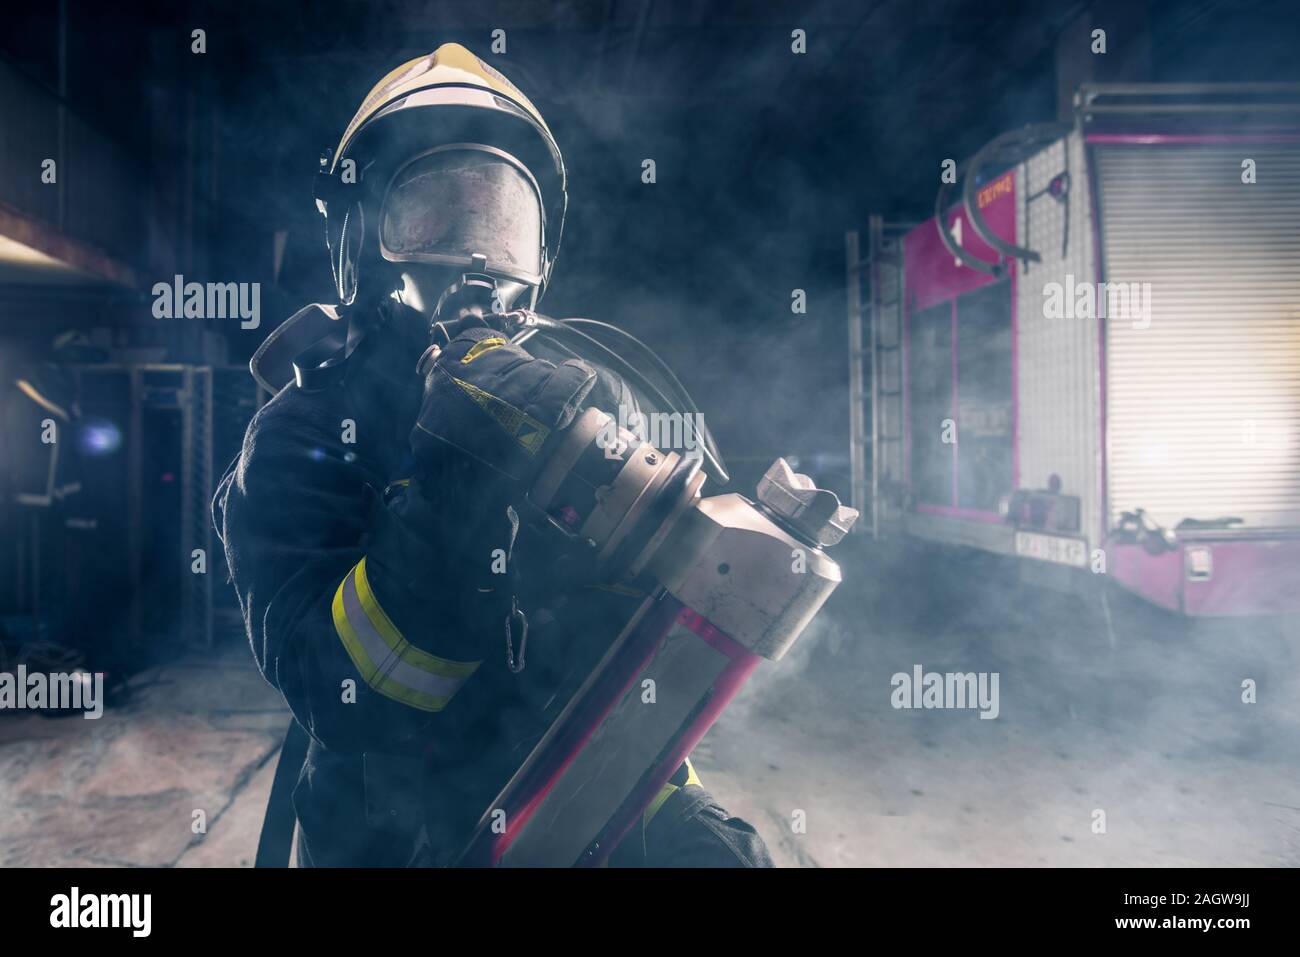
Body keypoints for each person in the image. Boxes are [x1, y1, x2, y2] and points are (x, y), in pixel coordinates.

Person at [213, 43, 771, 867]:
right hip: (392, 836)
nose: (474, 261)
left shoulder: (586, 390)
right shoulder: (303, 432)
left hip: (580, 795)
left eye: (501, 217)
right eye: (433, 211)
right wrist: (455, 490)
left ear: (540, 260)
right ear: (367, 238)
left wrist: (671, 811)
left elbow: (670, 630)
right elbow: (350, 694)